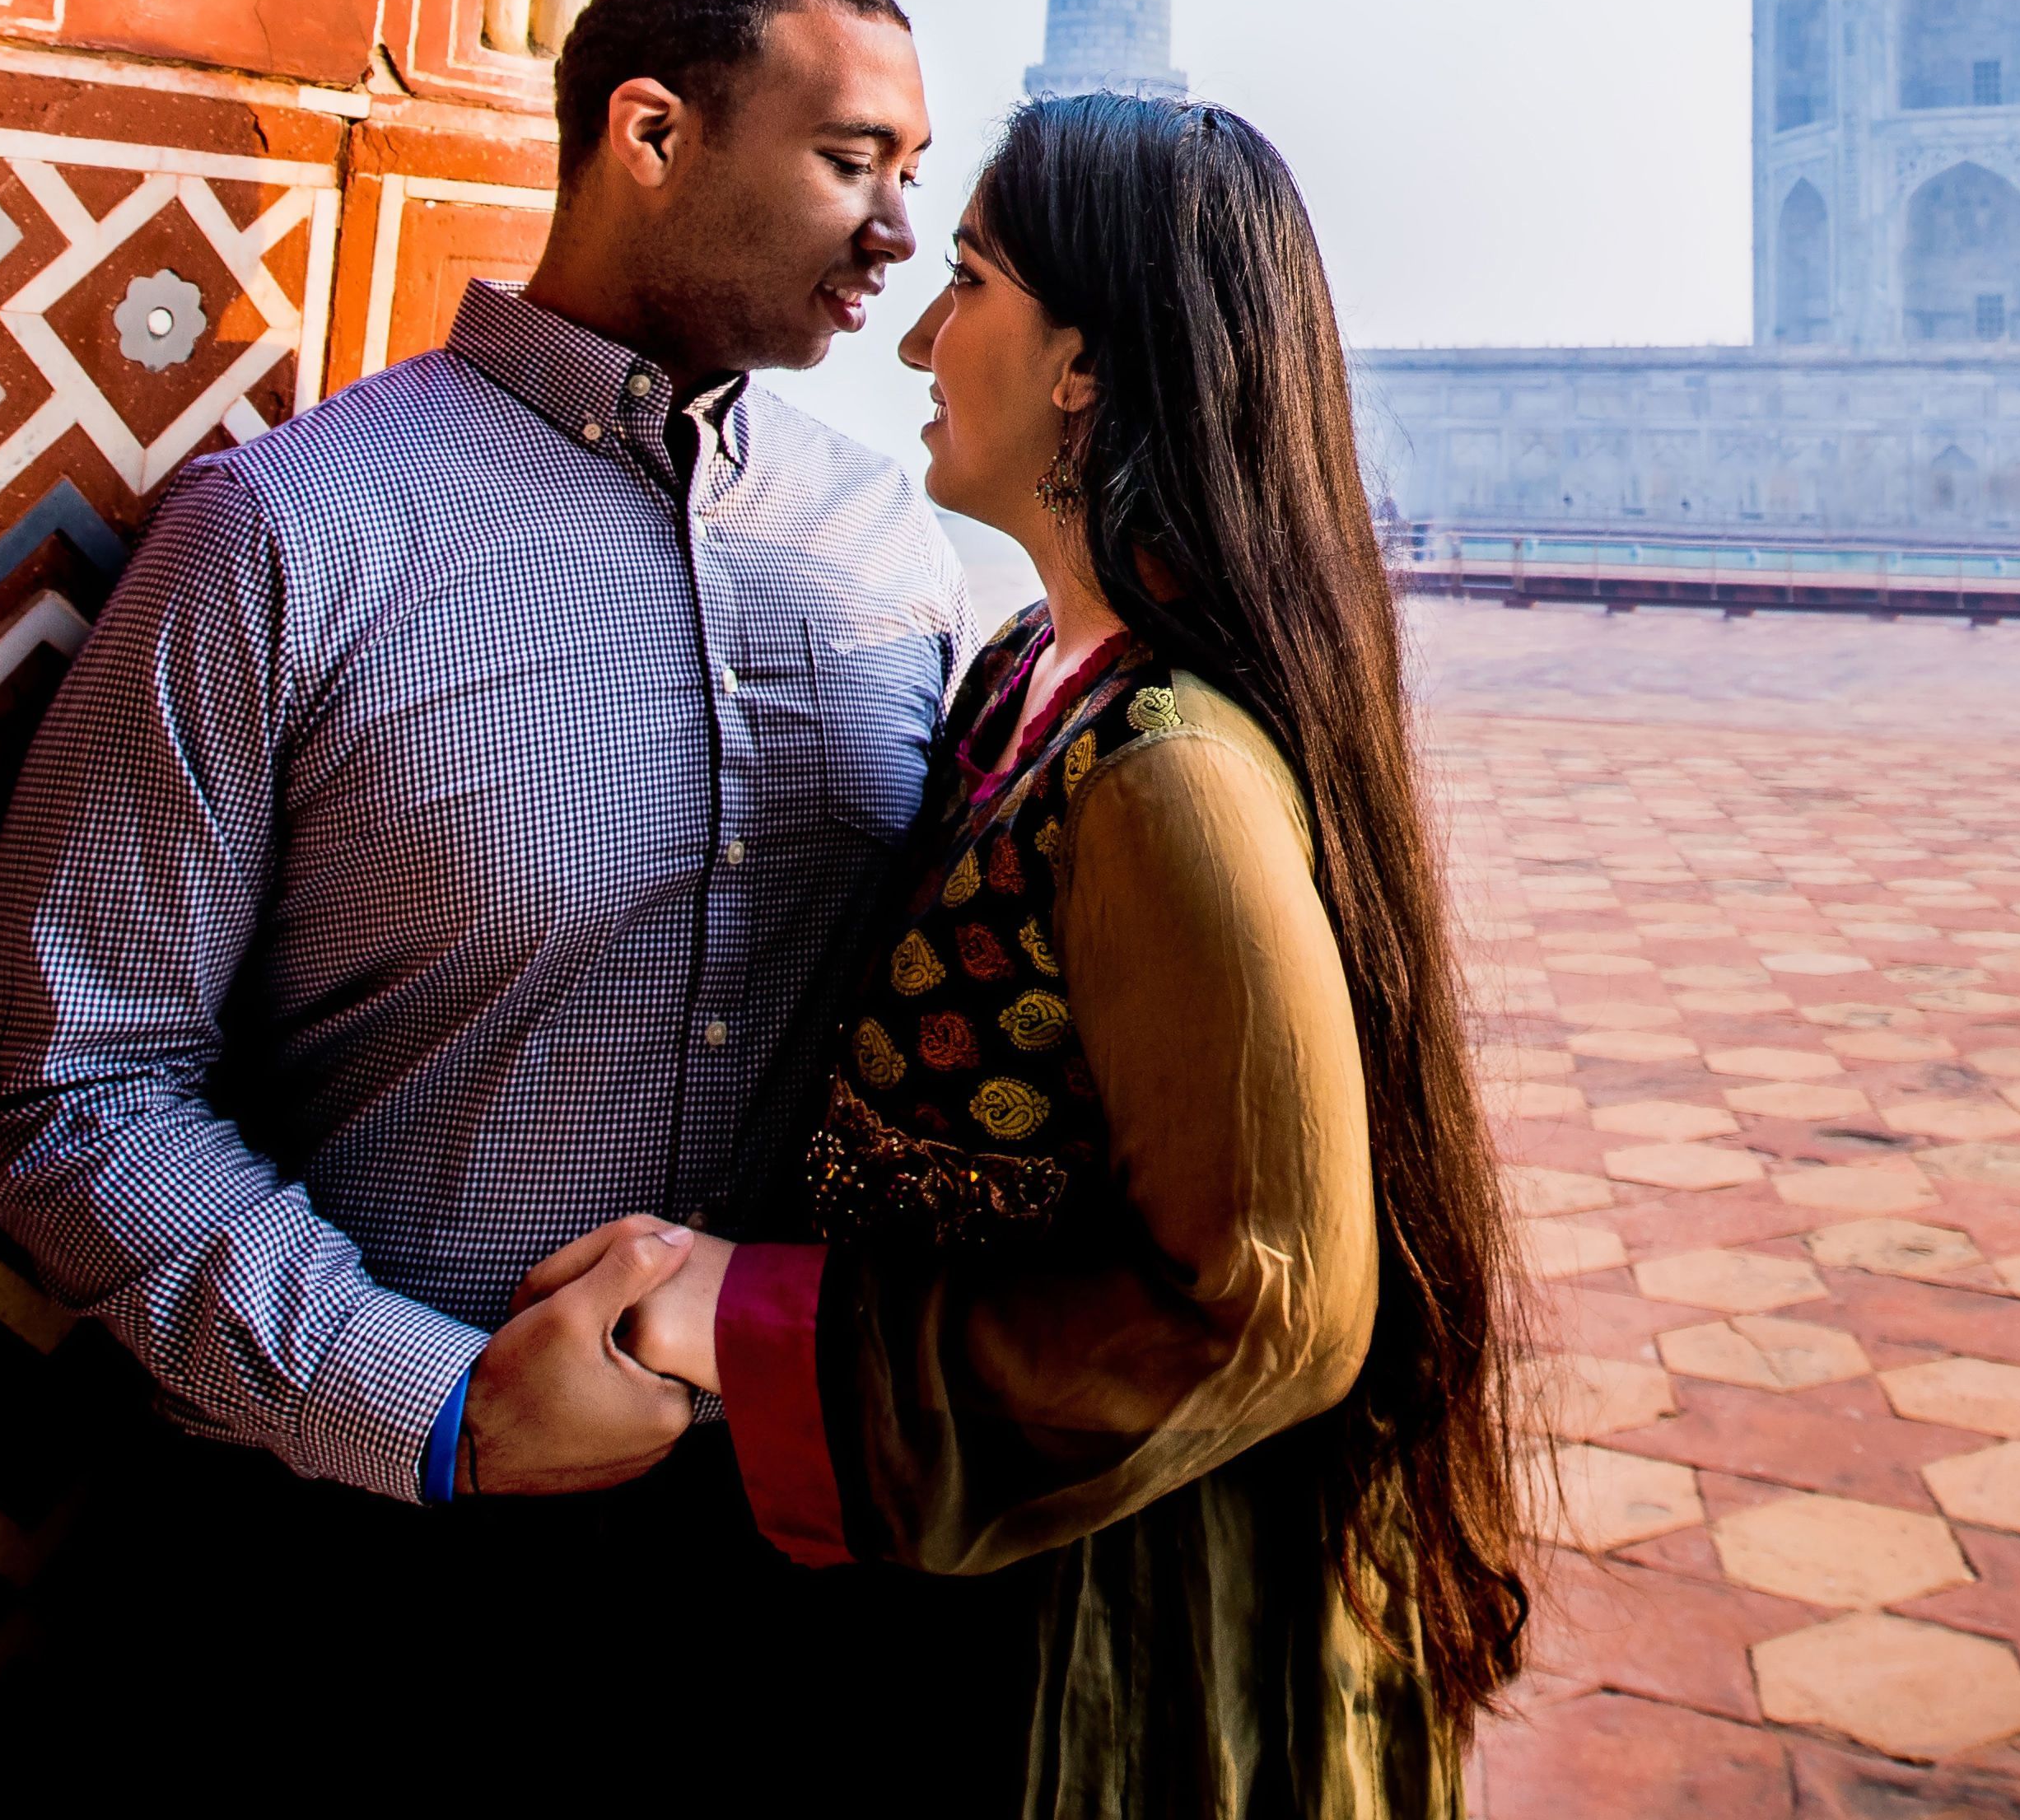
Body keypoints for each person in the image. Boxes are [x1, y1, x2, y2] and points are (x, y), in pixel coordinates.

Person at [0, 0, 1025, 1803]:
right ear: (651, 132)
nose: (897, 234)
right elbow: (75, 1085)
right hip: (365, 1573)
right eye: (854, 158)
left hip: (793, 1552)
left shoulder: (893, 552)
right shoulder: (293, 534)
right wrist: (436, 1405)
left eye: (918, 180)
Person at [539, 93, 1529, 1819]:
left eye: (974, 276)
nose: (922, 330)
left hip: (1117, 1622)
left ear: (1082, 358)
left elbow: (1275, 1304)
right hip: (1004, 1548)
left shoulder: (1169, 769)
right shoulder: (1027, 678)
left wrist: (749, 1315)